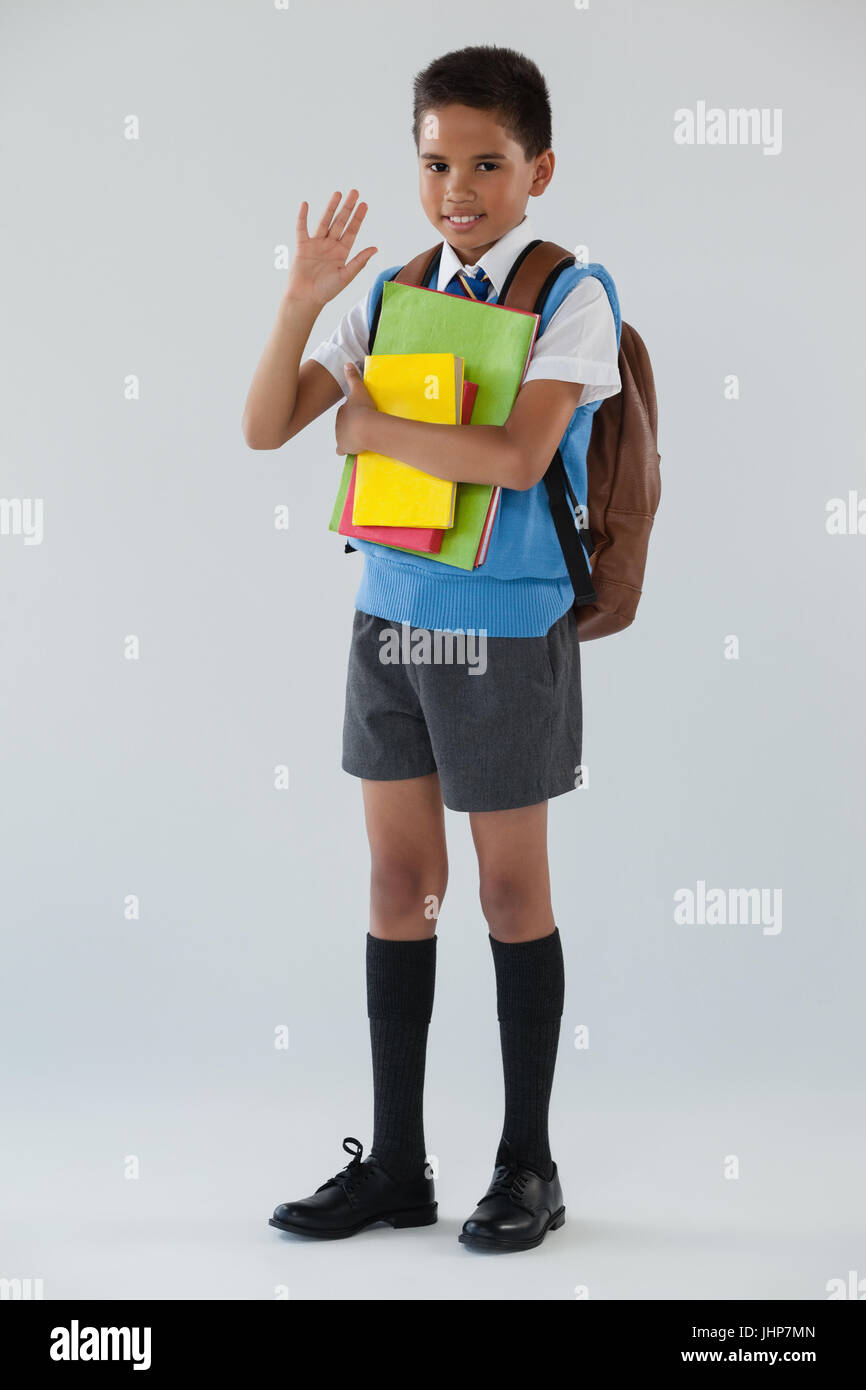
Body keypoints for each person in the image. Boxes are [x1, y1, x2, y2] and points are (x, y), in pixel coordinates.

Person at [242, 44, 621, 1253]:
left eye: (487, 163)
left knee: (510, 892)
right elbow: (265, 428)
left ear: (536, 169)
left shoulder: (568, 292)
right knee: (398, 886)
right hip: (390, 620)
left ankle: (527, 1165)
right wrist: (304, 298)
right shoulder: (390, 289)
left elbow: (516, 458)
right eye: (435, 162)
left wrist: (370, 419)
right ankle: (397, 1164)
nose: (458, 187)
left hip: (505, 631)